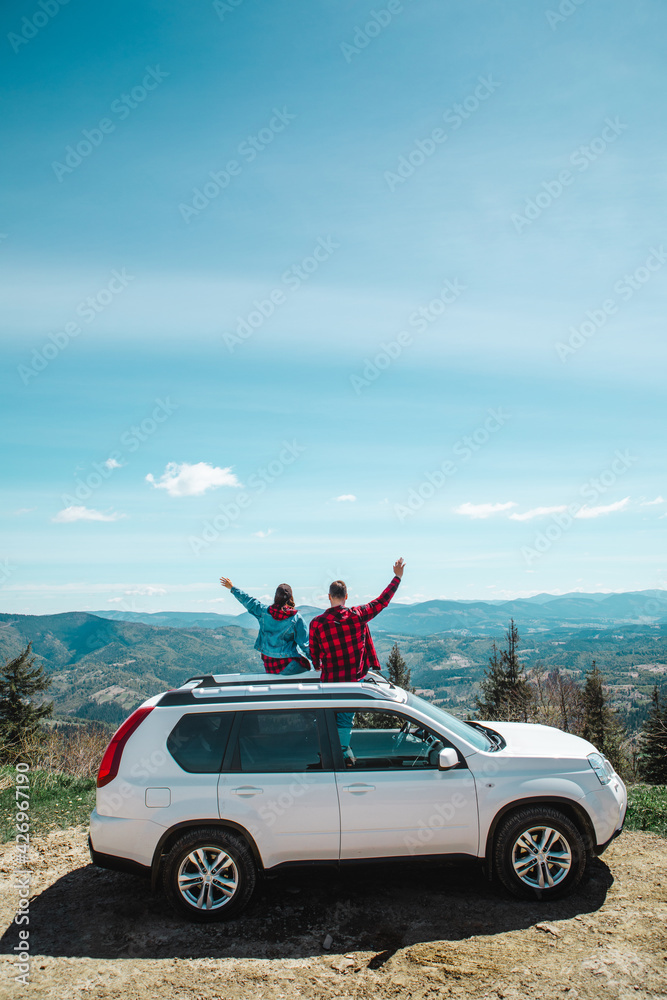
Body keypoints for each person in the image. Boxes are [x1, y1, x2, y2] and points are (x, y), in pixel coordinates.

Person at [309, 558, 405, 756]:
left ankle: (322, 752)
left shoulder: (317, 623)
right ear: (346, 596)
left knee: (327, 716)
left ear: (329, 597)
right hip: (353, 680)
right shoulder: (357, 615)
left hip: (329, 681)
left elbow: (314, 650)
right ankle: (341, 754)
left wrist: (317, 663)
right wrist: (397, 577)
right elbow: (382, 602)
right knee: (344, 718)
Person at [219, 576, 311, 675]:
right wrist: (317, 663)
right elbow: (305, 645)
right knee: (307, 666)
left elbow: (248, 601)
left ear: (276, 597)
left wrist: (232, 588)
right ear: (290, 598)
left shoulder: (263, 612)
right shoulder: (296, 618)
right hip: (288, 664)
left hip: (270, 665)